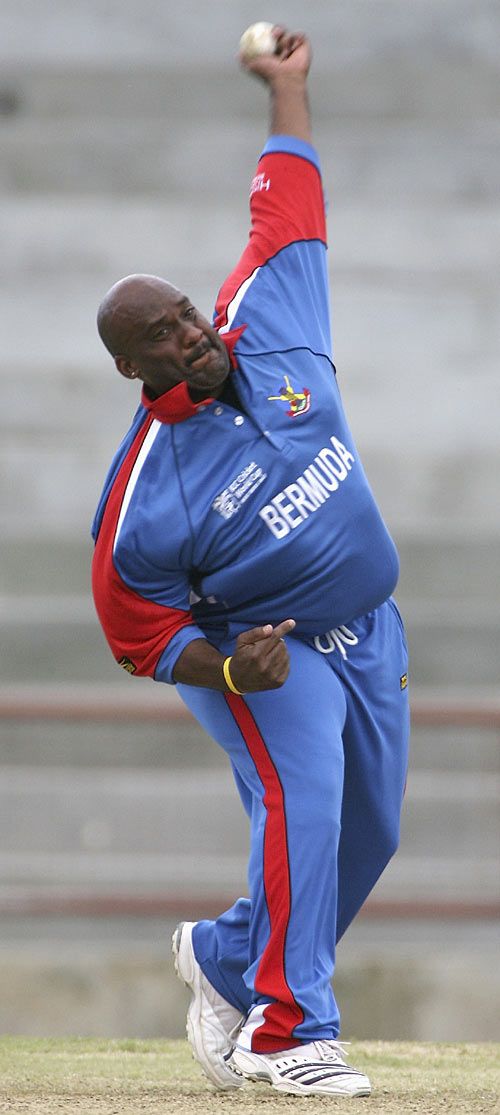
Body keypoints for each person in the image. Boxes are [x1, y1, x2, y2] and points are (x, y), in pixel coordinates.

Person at [92, 26, 409, 1099]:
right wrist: (228, 670)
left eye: (185, 311)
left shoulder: (266, 312)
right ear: (134, 369)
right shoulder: (145, 495)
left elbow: (287, 195)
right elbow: (135, 630)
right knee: (307, 804)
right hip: (266, 656)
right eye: (166, 336)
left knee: (370, 830)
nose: (191, 332)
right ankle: (285, 1030)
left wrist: (287, 88)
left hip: (370, 623)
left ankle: (228, 957)